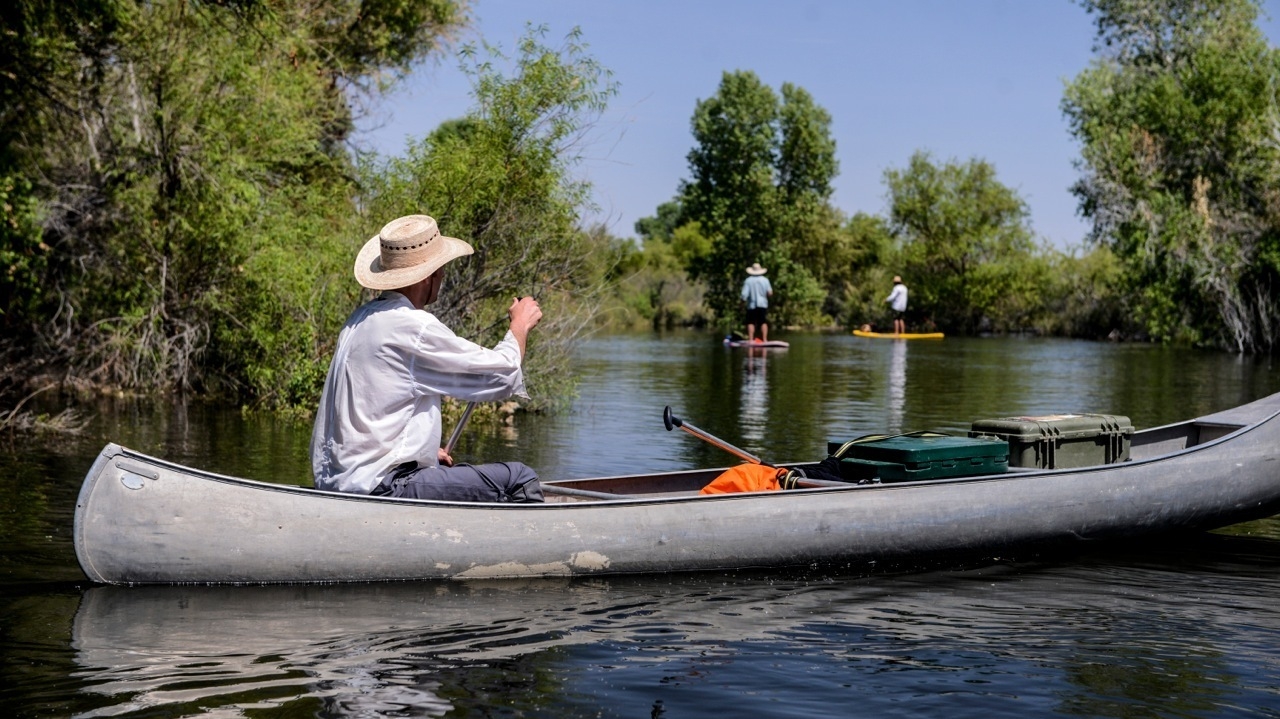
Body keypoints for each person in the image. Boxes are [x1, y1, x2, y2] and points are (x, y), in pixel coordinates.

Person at [311, 214, 545, 502]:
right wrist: (519, 326)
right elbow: (502, 376)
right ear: (427, 277)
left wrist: (423, 452)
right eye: (441, 268)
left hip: (337, 481)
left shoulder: (358, 319)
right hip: (382, 486)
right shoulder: (412, 326)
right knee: (519, 478)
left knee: (443, 467)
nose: (443, 275)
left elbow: (371, 413)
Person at [740, 262, 774, 342]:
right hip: (763, 304)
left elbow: (744, 295)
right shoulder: (765, 280)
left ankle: (751, 339)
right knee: (763, 321)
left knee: (750, 322)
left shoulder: (748, 281)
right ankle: (765, 339)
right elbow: (770, 293)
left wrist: (741, 304)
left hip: (751, 305)